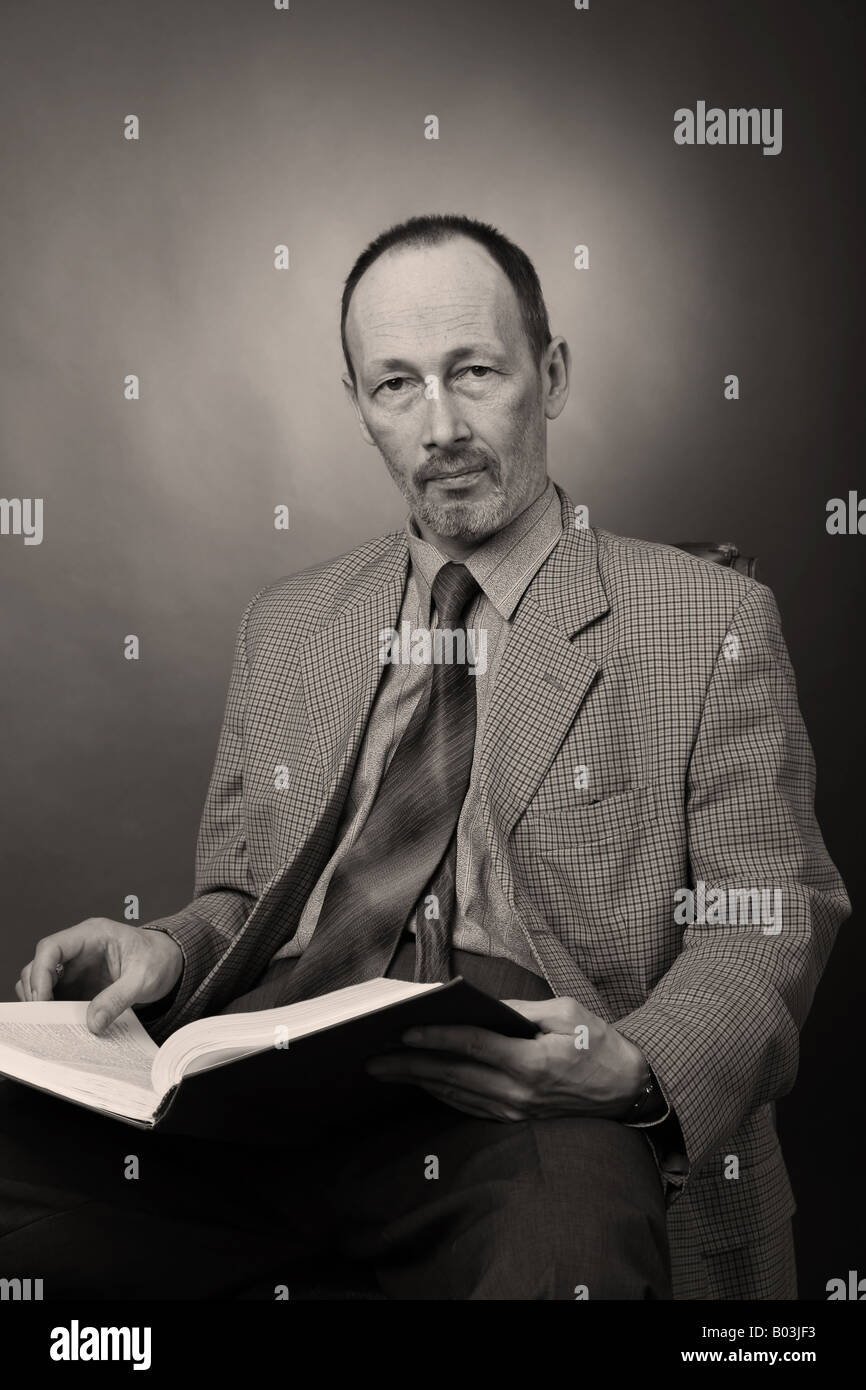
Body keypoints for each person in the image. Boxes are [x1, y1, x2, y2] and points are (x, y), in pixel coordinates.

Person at [2, 214, 850, 1301]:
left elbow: (770, 913)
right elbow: (244, 895)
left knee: (564, 1258)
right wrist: (162, 951)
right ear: (358, 407)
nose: (439, 423)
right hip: (271, 1082)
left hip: (529, 1096)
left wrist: (630, 1066)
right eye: (395, 385)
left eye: (474, 372)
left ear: (548, 374)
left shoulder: (706, 617)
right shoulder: (287, 624)